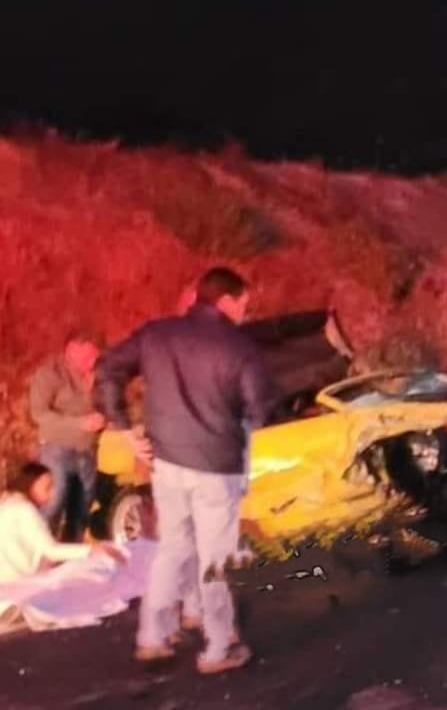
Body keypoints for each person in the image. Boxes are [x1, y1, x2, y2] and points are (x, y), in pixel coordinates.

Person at [95, 267, 277, 674]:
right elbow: (260, 409)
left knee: (171, 549)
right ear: (227, 300)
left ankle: (152, 637)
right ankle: (216, 648)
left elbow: (108, 368)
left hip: (167, 463)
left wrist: (123, 427)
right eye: (244, 302)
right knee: (214, 558)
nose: (246, 310)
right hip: (217, 466)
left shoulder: (156, 334)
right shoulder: (239, 347)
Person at [28, 330, 107, 541]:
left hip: (87, 450)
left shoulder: (98, 376)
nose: (91, 361)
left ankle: (70, 556)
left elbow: (110, 405)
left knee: (82, 506)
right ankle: (35, 553)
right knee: (53, 501)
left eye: (94, 356)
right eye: (86, 356)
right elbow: (39, 413)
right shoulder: (50, 374)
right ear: (70, 351)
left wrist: (103, 416)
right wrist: (79, 423)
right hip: (56, 447)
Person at [0, 462, 125, 584]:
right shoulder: (24, 509)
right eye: (48, 487)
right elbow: (51, 550)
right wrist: (92, 550)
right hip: (17, 591)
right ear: (30, 484)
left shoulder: (8, 505)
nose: (53, 494)